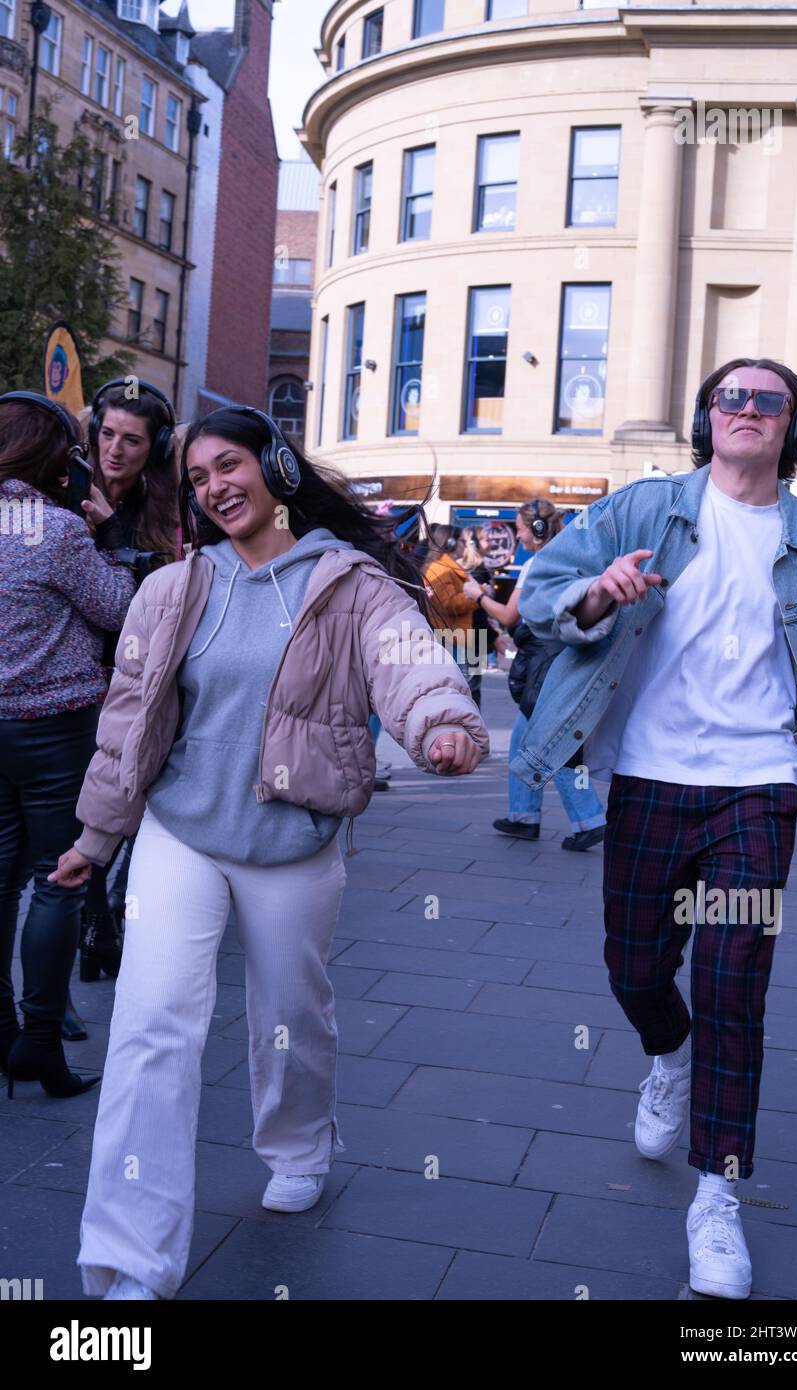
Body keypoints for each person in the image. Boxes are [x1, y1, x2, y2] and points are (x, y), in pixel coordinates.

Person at [46, 407, 489, 1301]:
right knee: (149, 1024)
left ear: (273, 466)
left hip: (293, 833)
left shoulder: (348, 582)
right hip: (182, 829)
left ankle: (296, 1142)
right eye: (199, 476)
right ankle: (130, 1264)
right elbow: (129, 718)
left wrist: (442, 722)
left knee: (292, 1011)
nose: (214, 486)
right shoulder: (174, 588)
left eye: (229, 464)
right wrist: (97, 836)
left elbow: (410, 663)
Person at [514, 358, 797, 1300]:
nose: (745, 411)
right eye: (728, 398)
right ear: (706, 418)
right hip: (649, 777)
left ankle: (718, 1193)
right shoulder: (641, 509)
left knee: (735, 979)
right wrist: (597, 595)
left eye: (767, 401)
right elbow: (545, 587)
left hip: (757, 785)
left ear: (791, 427)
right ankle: (667, 1057)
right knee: (634, 967)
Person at [0, 393, 136, 1097]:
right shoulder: (53, 529)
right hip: (53, 730)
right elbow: (117, 609)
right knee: (59, 878)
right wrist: (114, 545)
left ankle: (2, 1034)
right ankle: (42, 1042)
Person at [75, 380, 181, 989]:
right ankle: (93, 926)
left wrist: (117, 533)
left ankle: (113, 910)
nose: (114, 450)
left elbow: (164, 599)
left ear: (155, 447)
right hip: (69, 674)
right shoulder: (60, 494)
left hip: (137, 675)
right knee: (79, 811)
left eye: (132, 440)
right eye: (107, 434)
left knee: (136, 794)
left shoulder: (164, 507)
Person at [464, 500, 606, 850]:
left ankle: (588, 818)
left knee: (549, 744)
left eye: (521, 527)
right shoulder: (569, 557)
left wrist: (477, 596)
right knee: (527, 741)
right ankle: (525, 816)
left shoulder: (537, 565)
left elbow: (510, 615)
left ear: (537, 530)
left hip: (545, 666)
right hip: (560, 660)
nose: (518, 534)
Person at [423, 523, 482, 705]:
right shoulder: (441, 569)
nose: (466, 545)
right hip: (451, 640)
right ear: (449, 542)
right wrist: (477, 597)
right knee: (458, 696)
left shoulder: (447, 567)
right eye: (462, 541)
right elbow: (447, 604)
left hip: (455, 638)